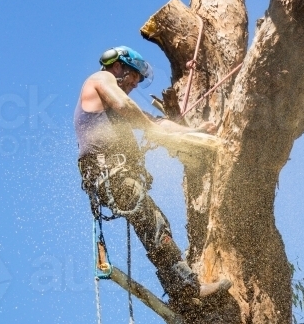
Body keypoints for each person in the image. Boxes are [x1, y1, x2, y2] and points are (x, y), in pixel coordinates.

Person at [75, 46, 230, 303]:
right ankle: (186, 289)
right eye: (133, 77)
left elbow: (156, 124)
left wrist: (191, 132)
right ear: (117, 66)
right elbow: (126, 106)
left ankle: (182, 294)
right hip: (110, 174)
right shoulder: (101, 79)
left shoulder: (117, 106)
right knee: (156, 225)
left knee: (154, 225)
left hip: (114, 176)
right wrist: (151, 129)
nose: (135, 84)